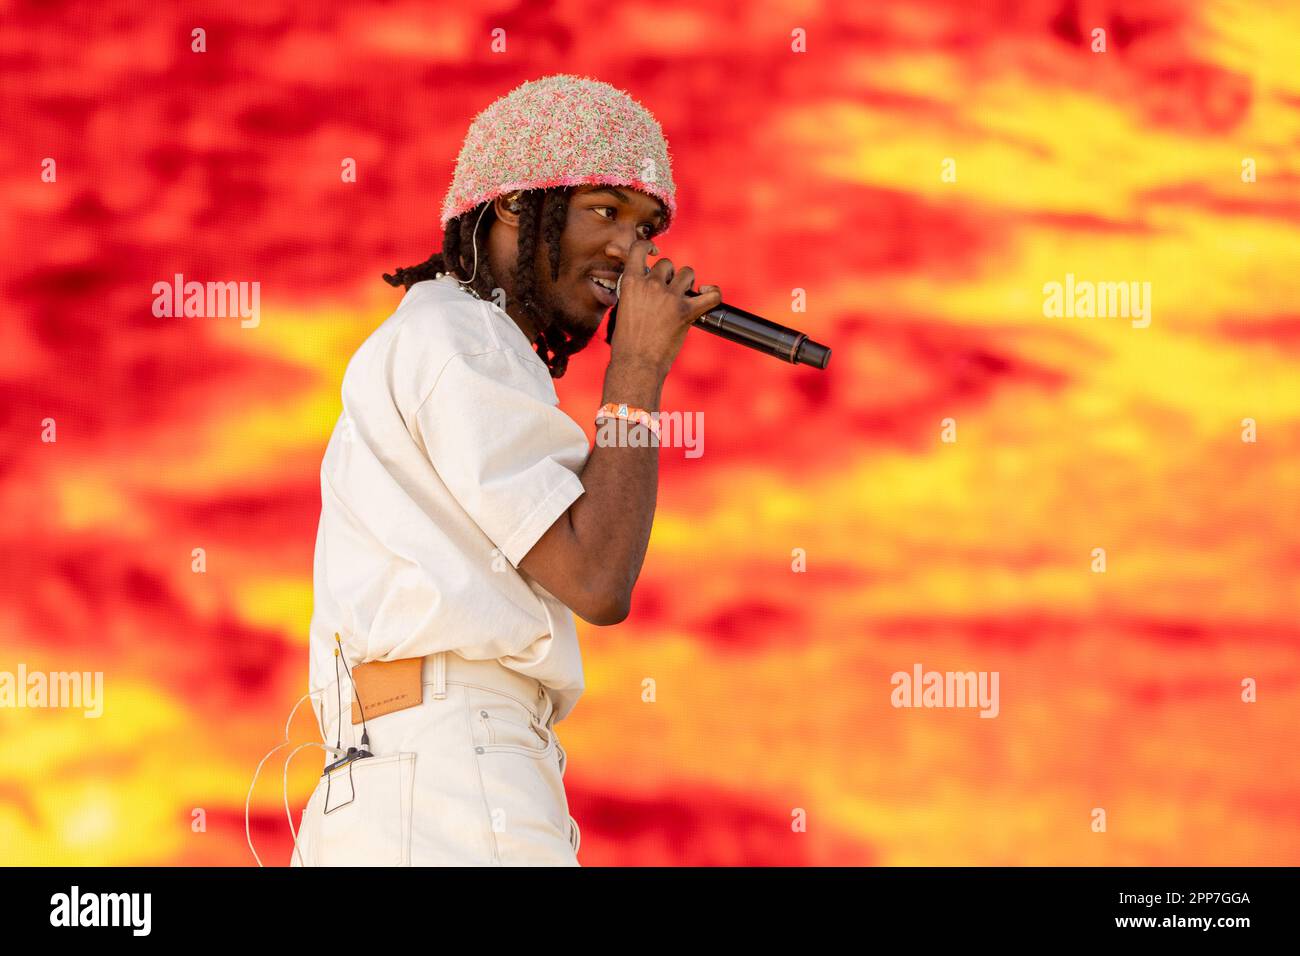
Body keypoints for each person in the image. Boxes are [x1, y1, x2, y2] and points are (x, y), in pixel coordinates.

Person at [291, 74, 722, 866]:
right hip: (456, 774)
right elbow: (596, 580)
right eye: (606, 210)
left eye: (649, 226)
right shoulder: (465, 340)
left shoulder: (432, 339)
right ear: (515, 206)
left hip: (383, 782)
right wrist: (635, 377)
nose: (634, 250)